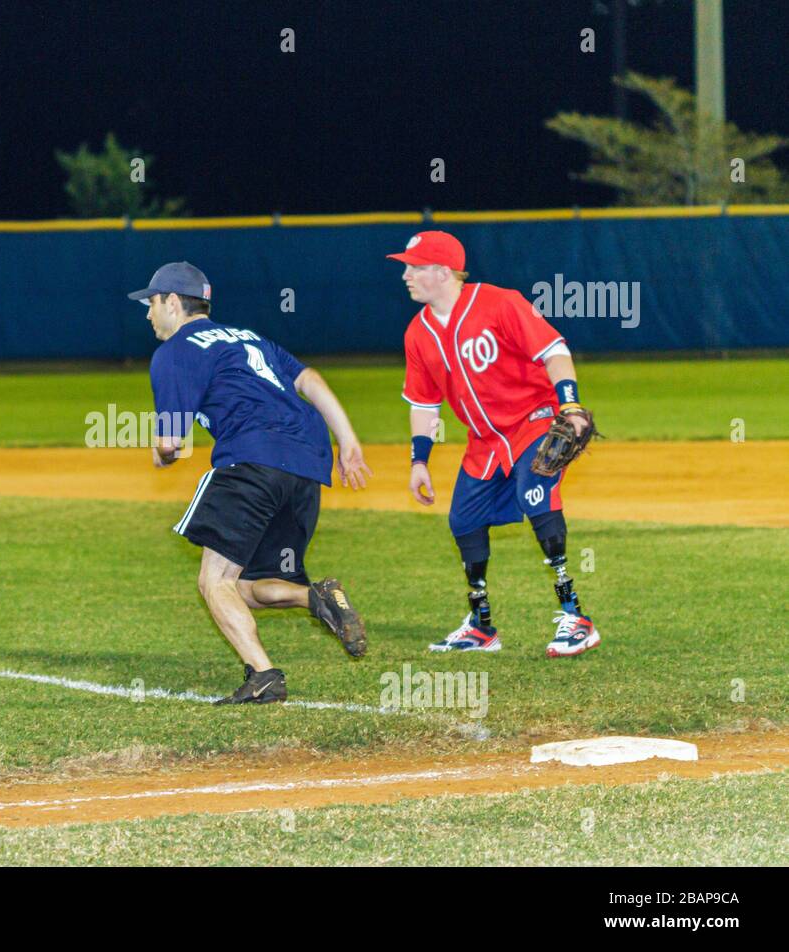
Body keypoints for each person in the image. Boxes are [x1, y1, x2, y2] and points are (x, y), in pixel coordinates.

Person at [129, 261, 372, 705]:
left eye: (151, 303)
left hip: (252, 460)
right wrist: (349, 441)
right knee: (243, 587)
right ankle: (315, 598)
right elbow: (310, 380)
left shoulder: (176, 350)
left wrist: (161, 454)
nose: (147, 314)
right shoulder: (248, 336)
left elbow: (170, 442)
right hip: (306, 464)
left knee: (213, 581)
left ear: (171, 302)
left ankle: (262, 675)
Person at [390, 231, 600, 657]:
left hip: (533, 420)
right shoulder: (418, 333)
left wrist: (571, 404)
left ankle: (576, 618)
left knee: (535, 494)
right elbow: (423, 404)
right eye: (406, 267)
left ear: (443, 272)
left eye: (415, 266)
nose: (406, 275)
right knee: (463, 521)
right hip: (484, 442)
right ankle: (481, 626)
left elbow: (554, 350)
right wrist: (419, 461)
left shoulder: (500, 303)